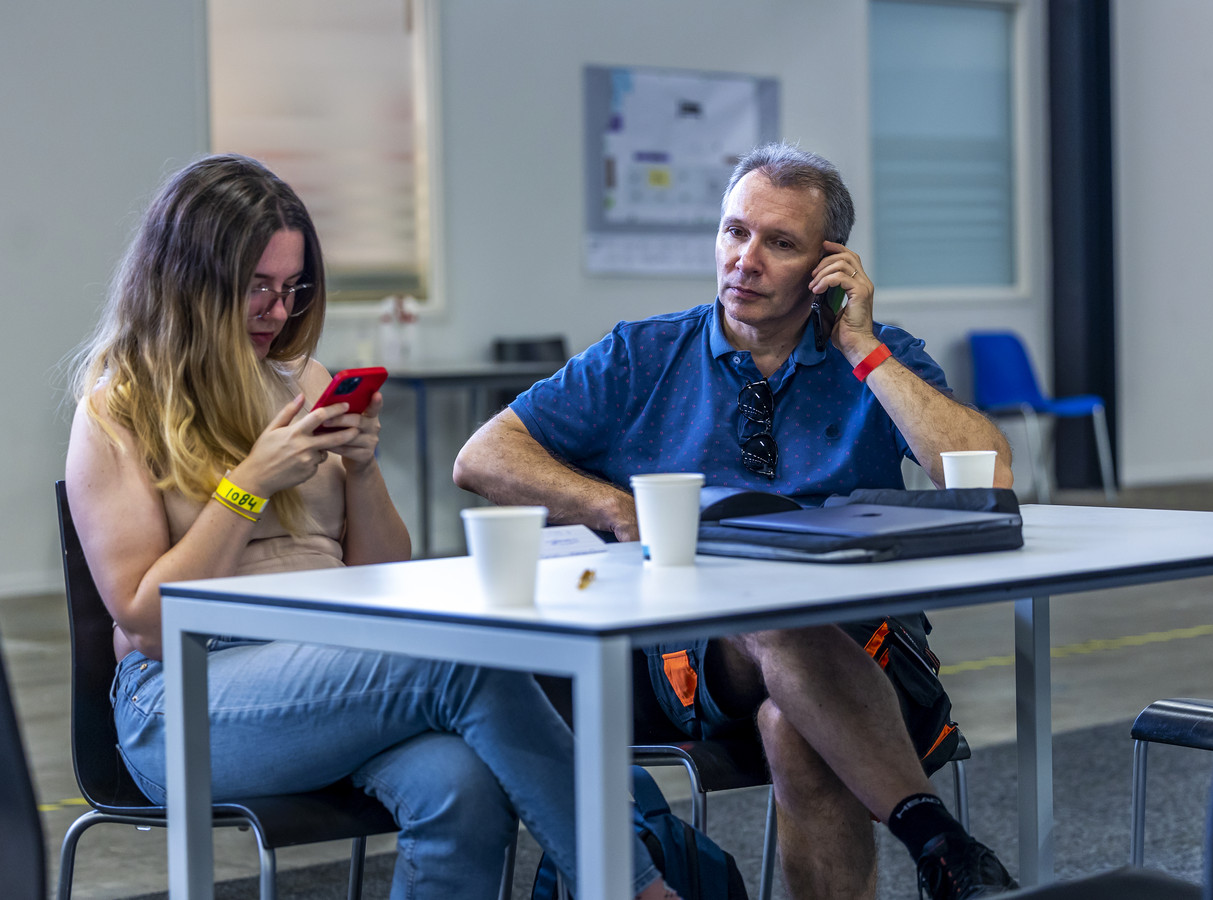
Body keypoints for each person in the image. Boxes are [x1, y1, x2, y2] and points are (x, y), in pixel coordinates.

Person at [65, 154, 672, 900]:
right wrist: (248, 487)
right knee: (462, 656)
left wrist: (360, 471)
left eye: (292, 290)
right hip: (186, 697)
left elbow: (382, 573)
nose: (278, 313)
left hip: (332, 661)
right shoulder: (116, 409)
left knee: (463, 784)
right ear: (189, 277)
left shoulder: (307, 382)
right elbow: (152, 623)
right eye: (257, 287)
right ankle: (636, 888)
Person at [454, 142, 1019, 900]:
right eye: (733, 232)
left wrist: (860, 345)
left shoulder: (881, 357)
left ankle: (940, 850)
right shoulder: (644, 354)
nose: (744, 260)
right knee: (771, 607)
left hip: (872, 647)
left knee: (795, 730)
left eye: (779, 243)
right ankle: (938, 841)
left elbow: (985, 473)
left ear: (829, 265)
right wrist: (614, 509)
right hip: (692, 653)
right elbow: (484, 455)